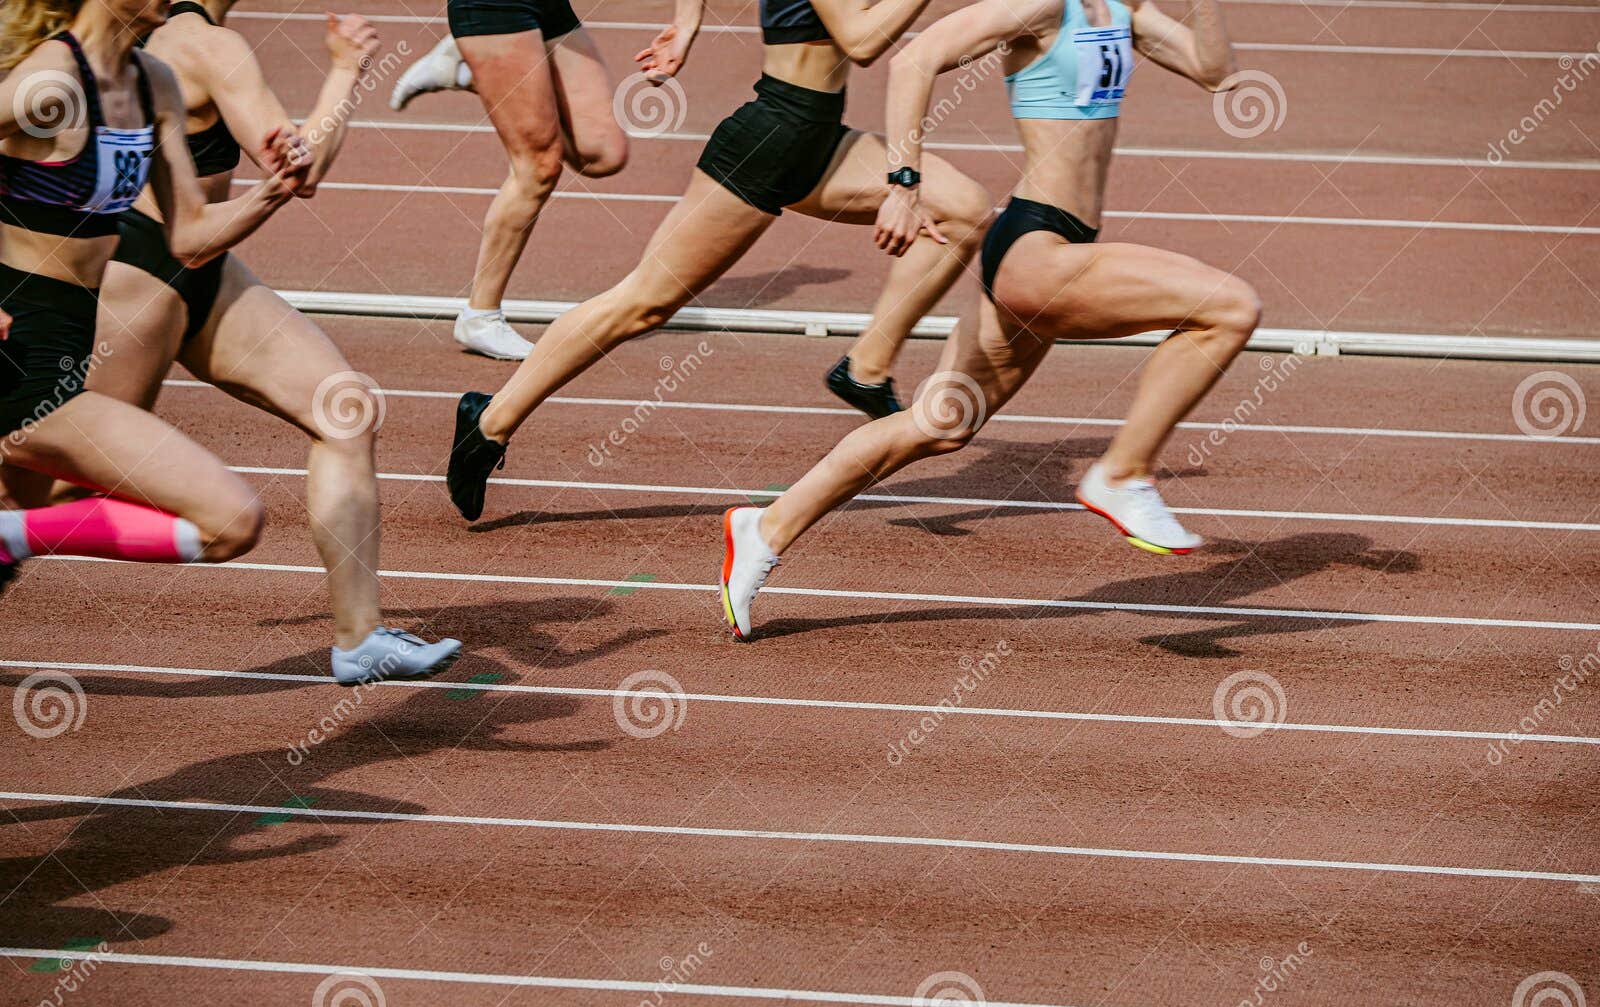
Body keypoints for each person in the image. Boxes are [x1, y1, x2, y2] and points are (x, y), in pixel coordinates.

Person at [718, 0, 1263, 640]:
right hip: (1037, 249)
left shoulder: (1119, 9)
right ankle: (1121, 474)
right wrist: (903, 183)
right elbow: (915, 58)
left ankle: (765, 526)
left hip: (1055, 246)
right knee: (1228, 307)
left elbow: (1214, 70)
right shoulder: (1040, 5)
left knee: (938, 425)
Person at [444, 0, 995, 522]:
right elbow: (863, 38)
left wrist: (687, 24)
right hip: (769, 141)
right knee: (641, 304)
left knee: (964, 209)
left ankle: (865, 369)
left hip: (819, 138)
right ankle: (489, 420)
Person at [64, 1, 460, 685]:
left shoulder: (171, 42)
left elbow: (287, 169)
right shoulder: (204, 44)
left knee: (344, 406)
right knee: (45, 496)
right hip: (139, 277)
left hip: (206, 268)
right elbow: (304, 170)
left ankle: (359, 637)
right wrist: (344, 71)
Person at [1, 0, 306, 602]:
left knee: (34, 502)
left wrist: (272, 192)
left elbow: (189, 235)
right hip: (21, 361)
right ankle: (8, 536)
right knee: (230, 520)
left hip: (67, 350)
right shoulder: (51, 83)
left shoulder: (151, 81)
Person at [387, 0, 682, 360]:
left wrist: (686, 22)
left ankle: (467, 67)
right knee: (538, 166)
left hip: (547, 4)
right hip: (494, 6)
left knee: (603, 152)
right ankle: (480, 316)